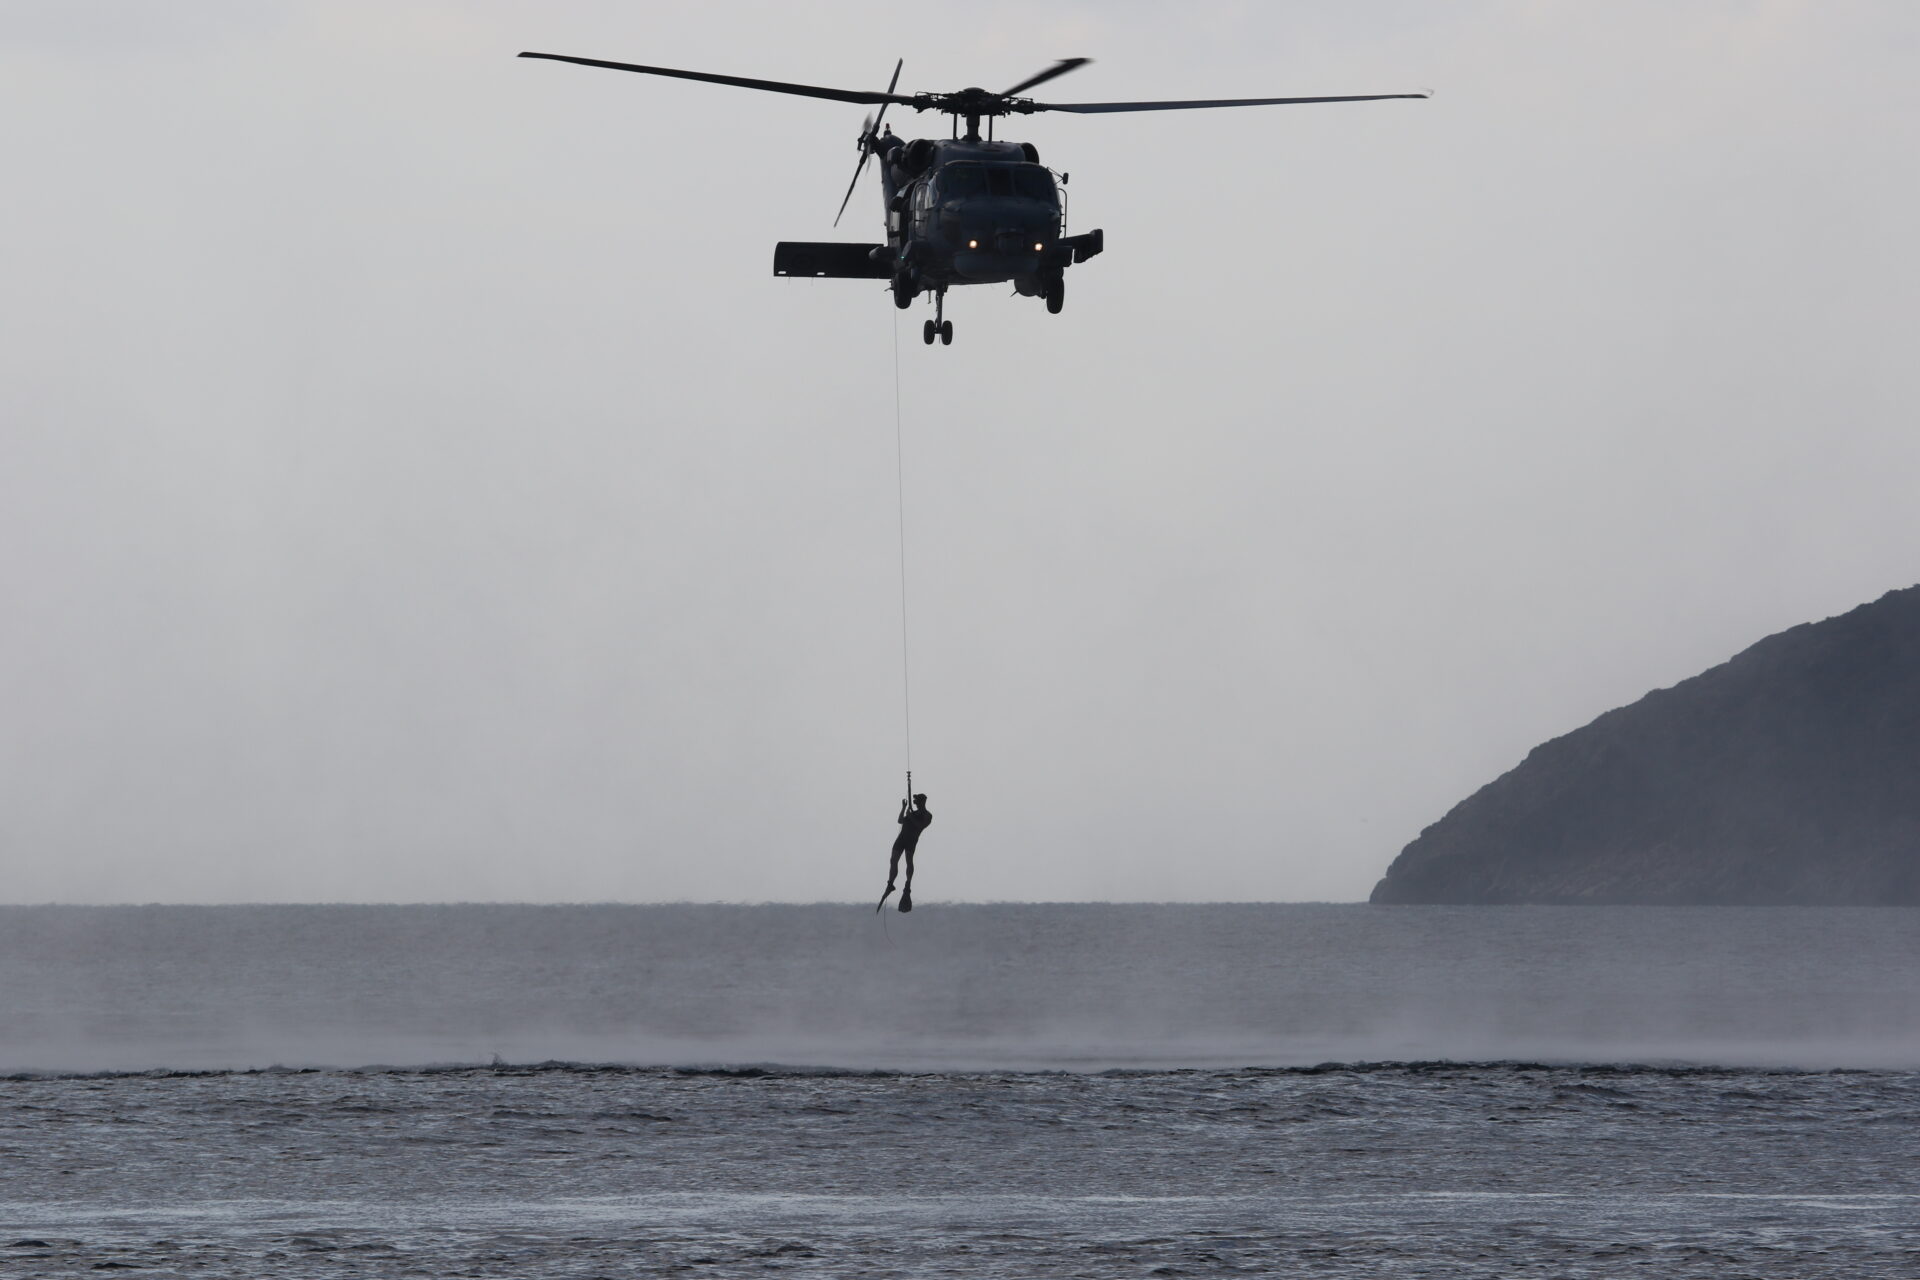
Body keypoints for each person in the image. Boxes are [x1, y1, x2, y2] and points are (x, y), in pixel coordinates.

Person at [879, 792, 931, 912]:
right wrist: (903, 808)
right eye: (915, 801)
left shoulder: (927, 815)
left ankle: (908, 884)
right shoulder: (913, 813)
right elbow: (900, 820)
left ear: (922, 802)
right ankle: (890, 883)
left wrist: (910, 816)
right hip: (901, 838)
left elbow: (920, 825)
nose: (916, 803)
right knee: (893, 860)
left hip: (911, 840)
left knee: (909, 861)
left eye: (917, 801)